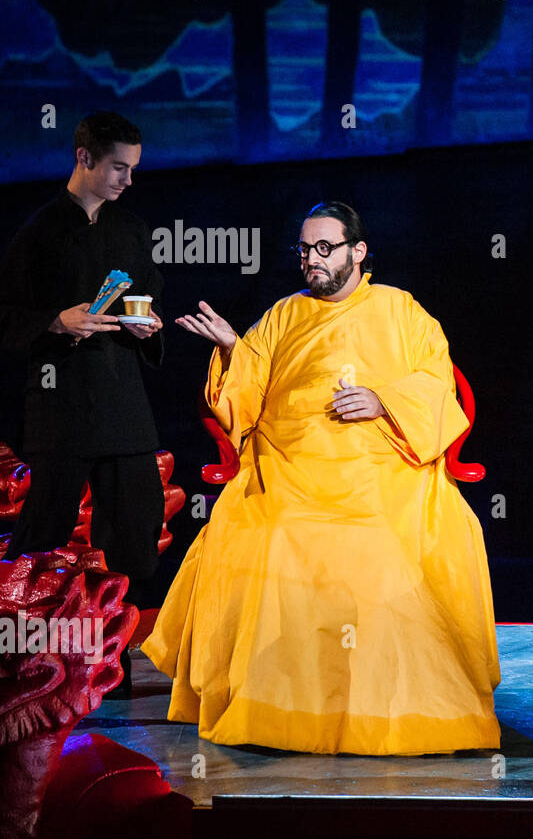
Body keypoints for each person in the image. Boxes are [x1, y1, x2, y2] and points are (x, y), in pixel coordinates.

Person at [142, 202, 499, 755]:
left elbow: (435, 382)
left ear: (358, 252)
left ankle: (393, 709)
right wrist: (234, 348)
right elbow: (246, 396)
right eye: (306, 249)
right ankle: (275, 708)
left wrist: (384, 400)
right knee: (266, 530)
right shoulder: (283, 314)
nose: (312, 259)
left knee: (382, 541)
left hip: (381, 468)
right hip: (290, 464)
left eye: (325, 248)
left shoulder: (400, 310)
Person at [0, 111, 165, 696]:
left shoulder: (132, 231)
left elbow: (145, 300)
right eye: (118, 167)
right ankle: (27, 661)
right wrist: (55, 321)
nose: (127, 179)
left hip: (122, 401)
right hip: (60, 404)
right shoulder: (38, 233)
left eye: (132, 168)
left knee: (138, 529)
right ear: (83, 158)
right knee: (44, 530)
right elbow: (6, 319)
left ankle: (109, 663)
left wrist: (147, 327)